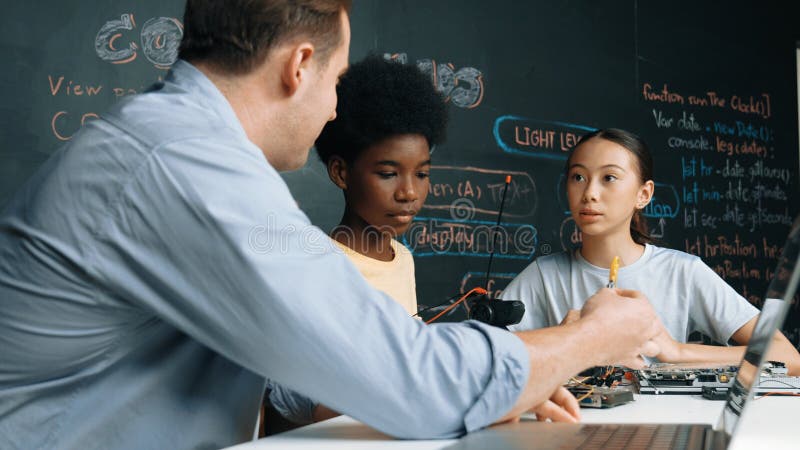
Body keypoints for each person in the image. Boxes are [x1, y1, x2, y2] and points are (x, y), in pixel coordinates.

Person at [0, 2, 662, 448]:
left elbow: (293, 382)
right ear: (300, 67)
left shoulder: (178, 147)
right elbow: (416, 383)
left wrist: (505, 380)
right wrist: (593, 337)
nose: (332, 110)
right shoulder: (183, 163)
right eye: (338, 80)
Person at [502, 128, 800, 375]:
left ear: (643, 195)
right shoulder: (544, 275)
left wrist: (675, 352)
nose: (590, 192)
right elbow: (482, 360)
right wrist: (562, 341)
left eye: (609, 178)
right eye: (578, 177)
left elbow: (788, 356)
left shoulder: (682, 271)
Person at [267, 55, 446, 426]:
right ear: (341, 172)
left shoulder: (403, 259)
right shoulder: (317, 266)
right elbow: (288, 400)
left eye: (422, 173)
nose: (409, 192)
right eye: (387, 173)